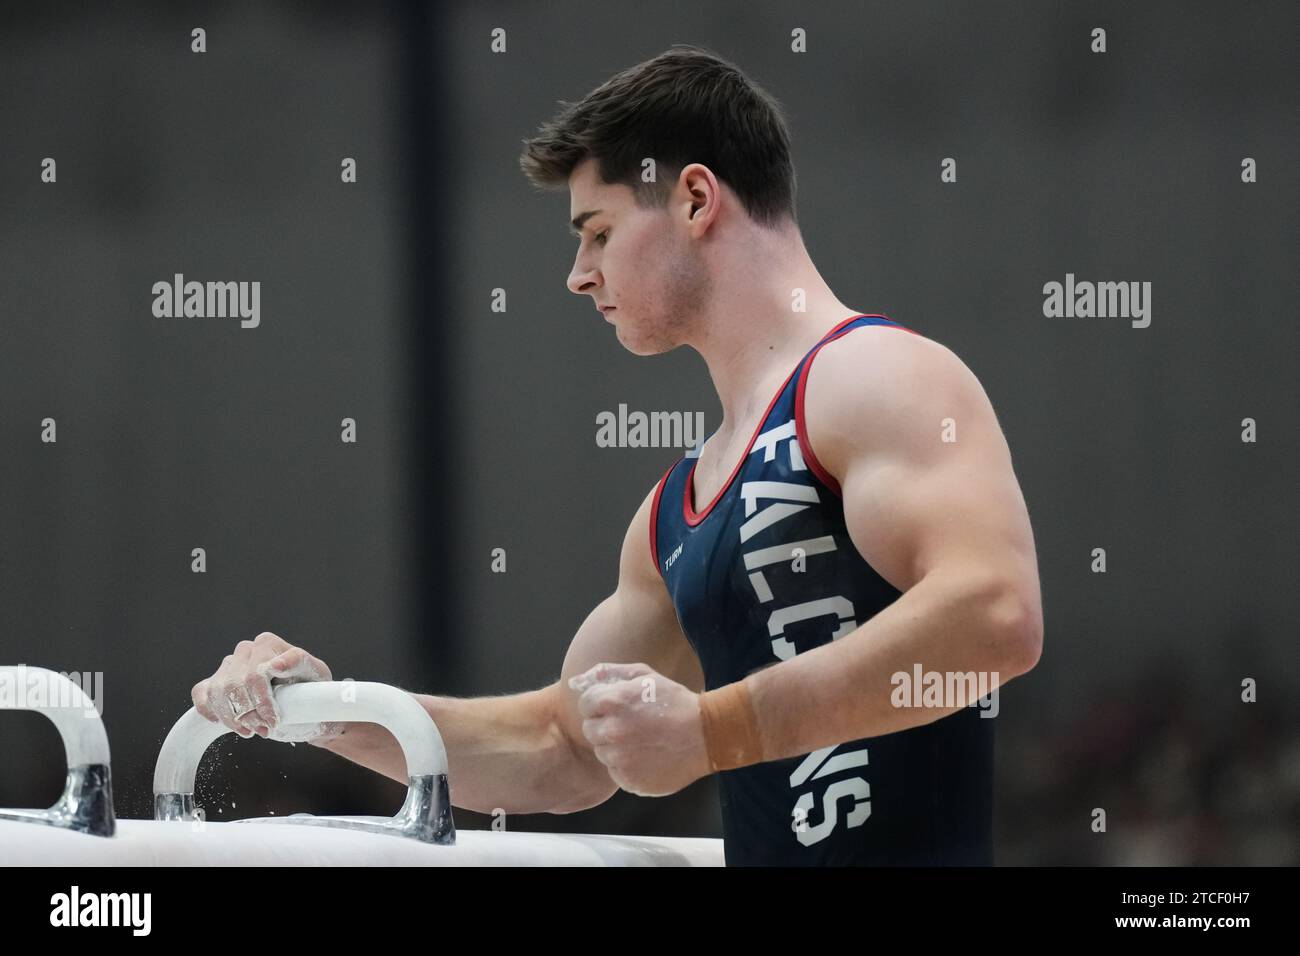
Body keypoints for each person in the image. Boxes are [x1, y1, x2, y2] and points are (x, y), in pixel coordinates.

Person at [193, 44, 1043, 865]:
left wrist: (712, 733)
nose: (578, 273)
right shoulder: (674, 512)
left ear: (696, 200)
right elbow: (563, 746)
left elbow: (995, 615)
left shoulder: (877, 377)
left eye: (596, 231)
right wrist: (329, 711)